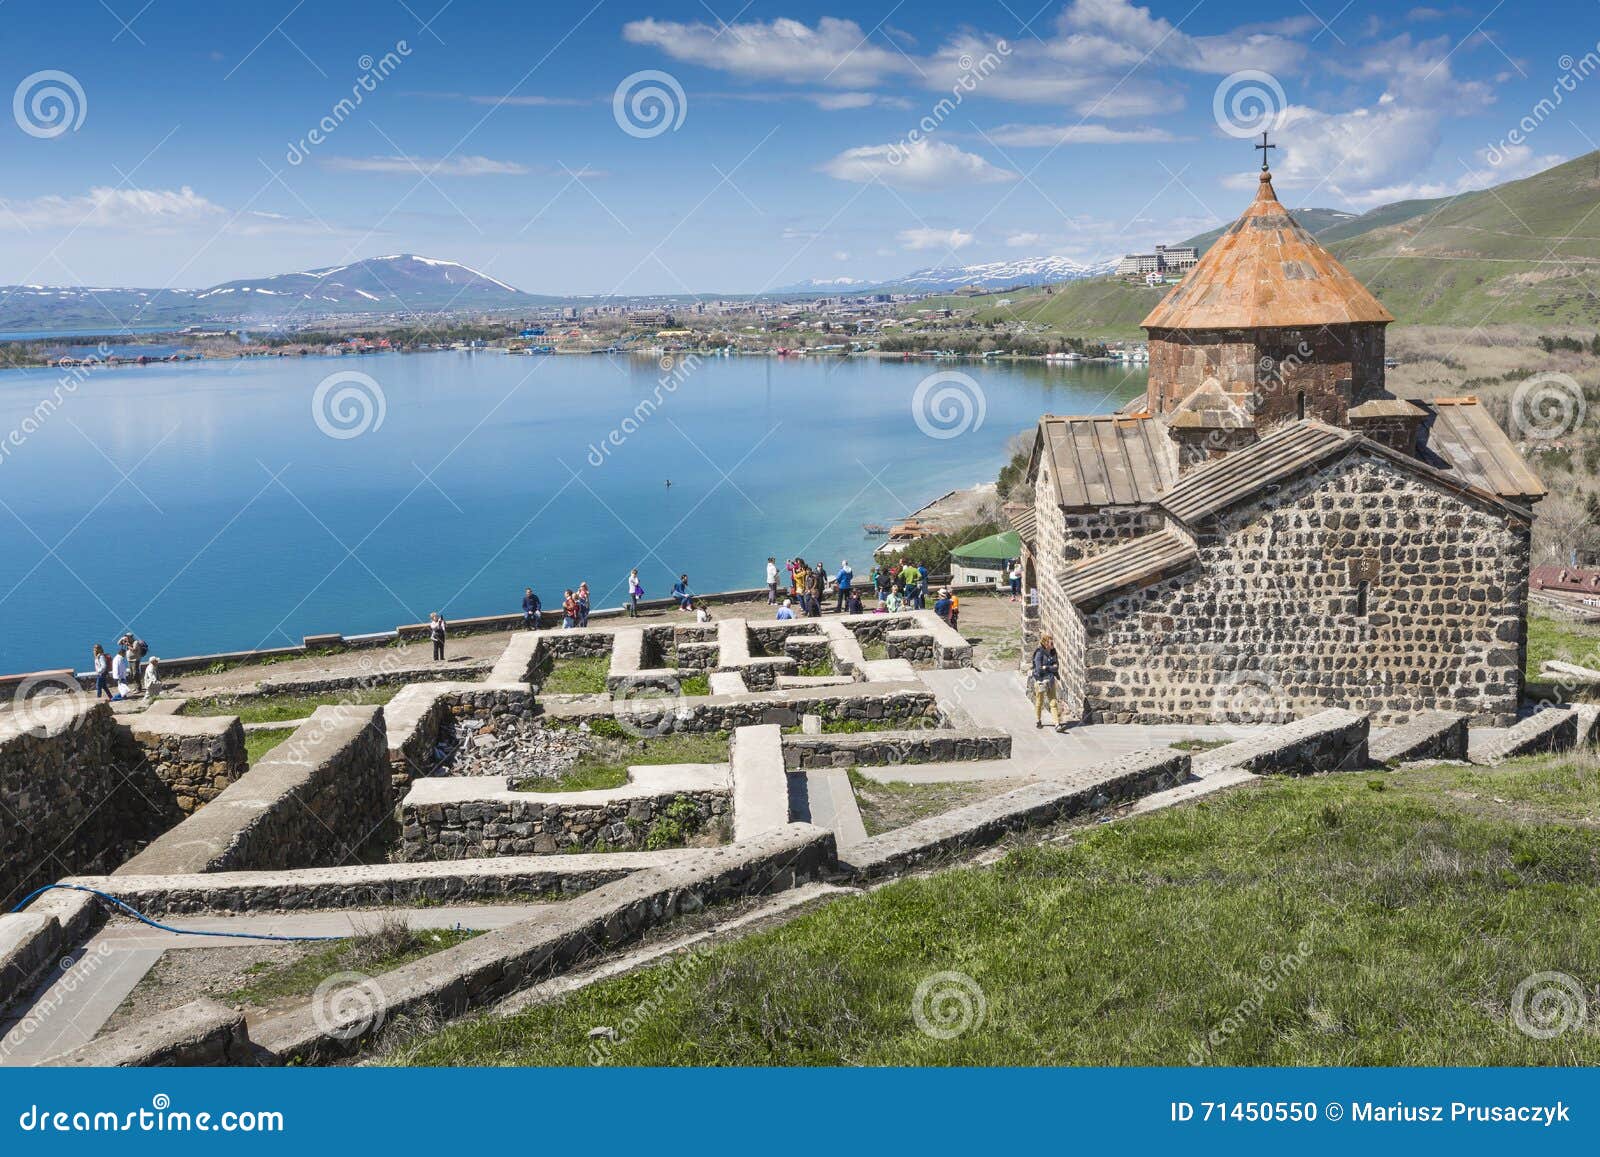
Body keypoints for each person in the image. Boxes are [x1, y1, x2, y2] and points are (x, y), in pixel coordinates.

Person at [1031, 634, 1064, 731]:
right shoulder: (1039, 653)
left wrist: (1047, 667)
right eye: (1051, 642)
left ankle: (1057, 724)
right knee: (1039, 701)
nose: (1053, 644)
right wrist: (1051, 668)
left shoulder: (1053, 652)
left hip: (1050, 680)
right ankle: (1038, 720)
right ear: (1045, 643)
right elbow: (1039, 669)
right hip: (1040, 681)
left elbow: (1056, 667)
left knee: (1053, 702)